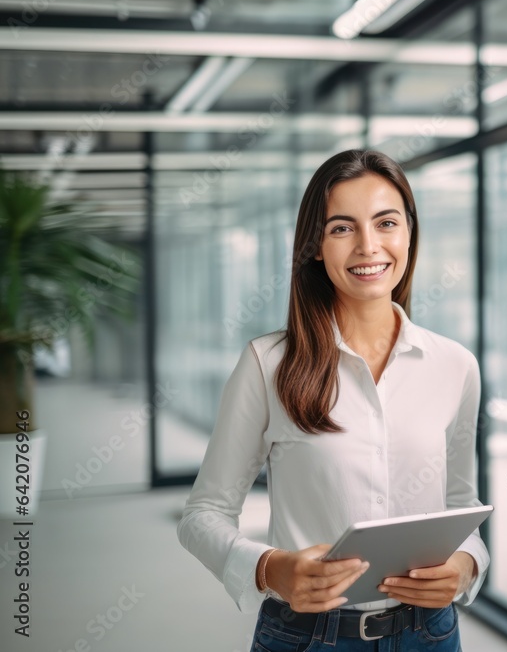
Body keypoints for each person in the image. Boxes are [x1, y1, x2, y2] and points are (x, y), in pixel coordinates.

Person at [178, 149, 489, 651]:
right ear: (316, 246)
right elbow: (203, 515)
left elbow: (461, 506)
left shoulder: (455, 365)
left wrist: (466, 565)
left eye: (386, 223)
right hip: (308, 637)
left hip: (429, 634)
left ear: (408, 233)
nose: (369, 246)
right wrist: (267, 568)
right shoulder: (268, 364)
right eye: (342, 228)